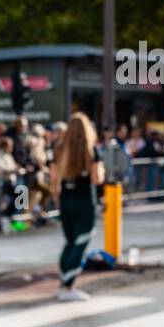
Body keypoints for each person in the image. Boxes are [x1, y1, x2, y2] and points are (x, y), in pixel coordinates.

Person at [49, 112, 104, 301]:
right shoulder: (90, 150)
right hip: (84, 200)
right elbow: (97, 178)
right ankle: (68, 285)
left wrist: (57, 199)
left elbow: (54, 179)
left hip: (65, 200)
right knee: (81, 242)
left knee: (70, 242)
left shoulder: (59, 149)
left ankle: (62, 284)